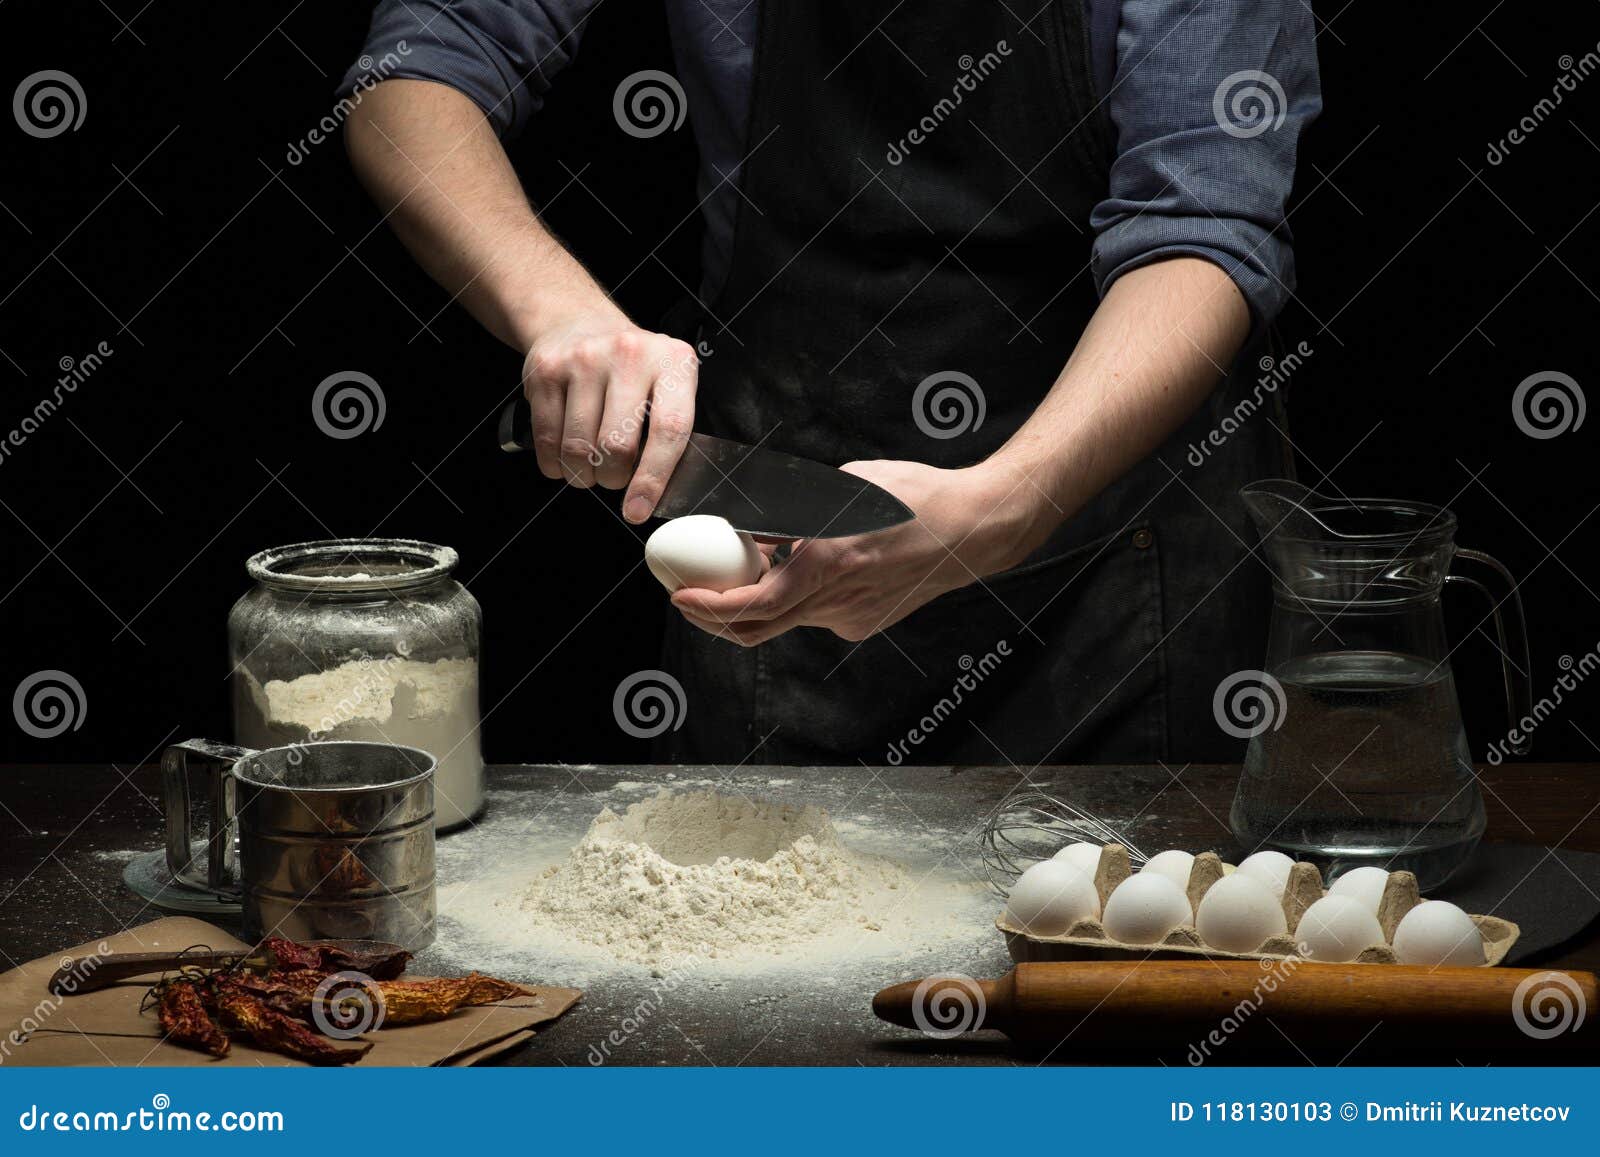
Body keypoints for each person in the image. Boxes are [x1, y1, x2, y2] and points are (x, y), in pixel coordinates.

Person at [342, 1, 1321, 767]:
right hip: (784, 570)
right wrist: (562, 312)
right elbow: (415, 76)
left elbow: (1202, 223)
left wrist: (1018, 497)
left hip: (1120, 571)